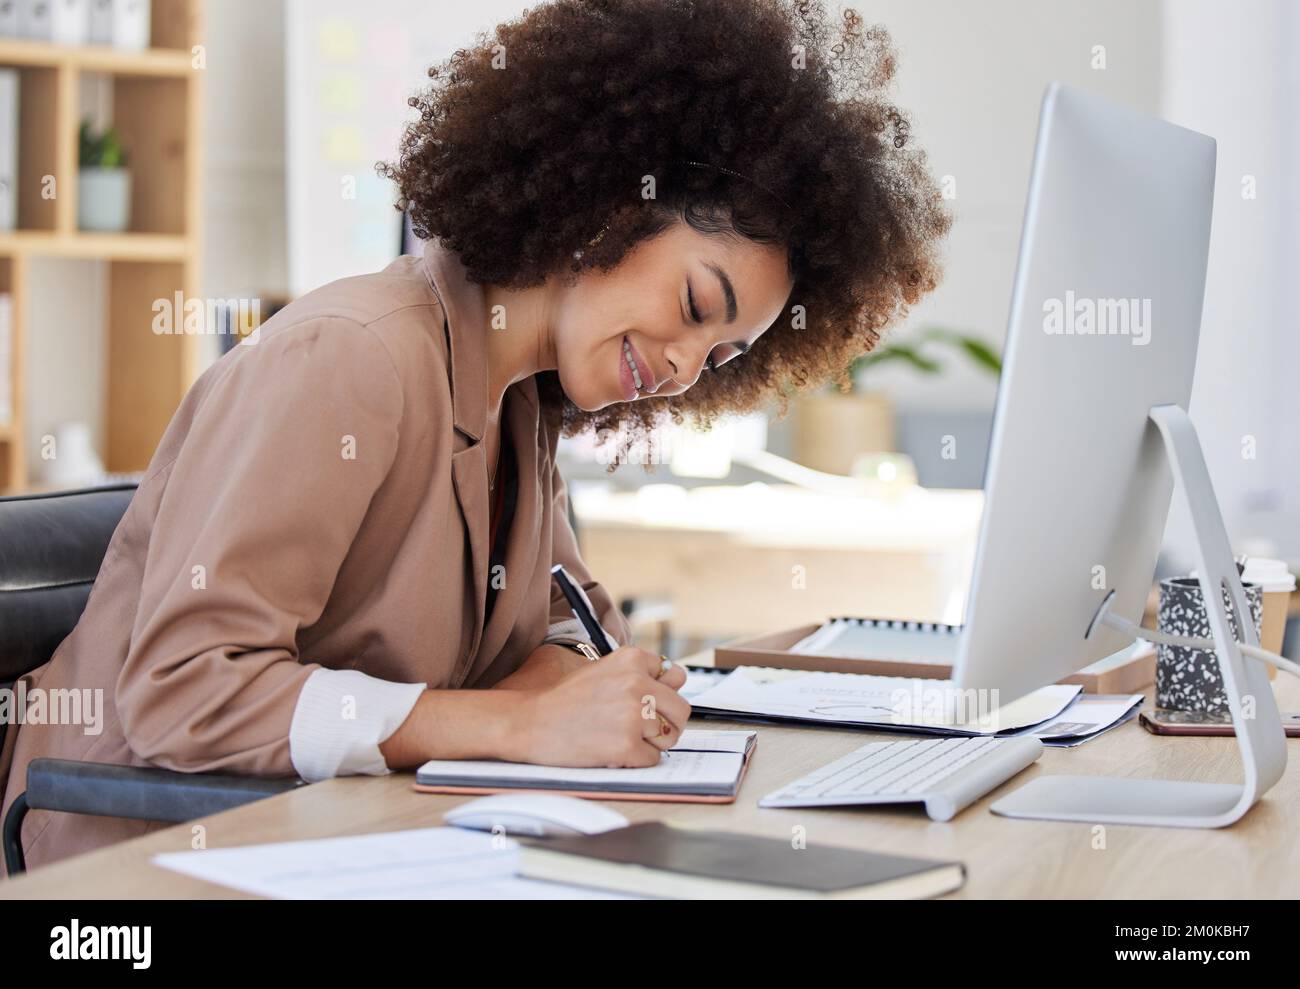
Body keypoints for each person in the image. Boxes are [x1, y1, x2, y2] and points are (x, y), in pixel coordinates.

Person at [0, 0, 950, 870]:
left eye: (723, 354)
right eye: (697, 303)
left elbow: (571, 631)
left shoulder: (522, 402)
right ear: (612, 204)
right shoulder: (353, 359)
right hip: (129, 858)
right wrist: (508, 724)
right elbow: (182, 690)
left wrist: (567, 685)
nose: (686, 364)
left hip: (337, 841)